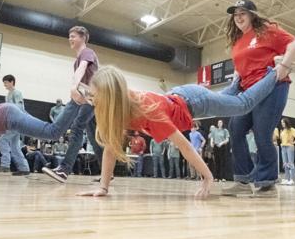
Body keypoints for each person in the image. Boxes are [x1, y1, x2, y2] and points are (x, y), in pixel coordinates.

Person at [76, 64, 281, 199]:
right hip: (180, 96)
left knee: (242, 105)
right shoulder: (121, 107)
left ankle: (276, 72)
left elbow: (184, 145)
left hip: (194, 101)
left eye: (95, 97)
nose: (92, 102)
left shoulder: (147, 112)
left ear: (111, 99)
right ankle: (238, 81)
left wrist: (208, 177)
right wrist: (103, 187)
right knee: (223, 100)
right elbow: (111, 148)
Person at [220, 0, 295, 198]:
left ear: (252, 15)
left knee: (262, 132)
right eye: (235, 14)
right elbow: (241, 68)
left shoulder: (266, 29)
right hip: (248, 92)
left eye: (243, 13)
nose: (238, 17)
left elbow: (294, 43)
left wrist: (283, 67)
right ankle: (243, 179)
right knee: (235, 128)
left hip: (272, 86)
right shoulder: (238, 41)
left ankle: (267, 184)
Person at [41, 26, 105, 184]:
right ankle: (107, 172)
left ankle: (64, 169)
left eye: (73, 36)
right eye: (69, 36)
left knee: (77, 128)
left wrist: (73, 87)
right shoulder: (77, 59)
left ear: (83, 38)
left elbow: (83, 69)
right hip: (89, 97)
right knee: (92, 135)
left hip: (92, 97)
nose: (70, 39)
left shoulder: (87, 52)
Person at [0, 74, 30, 176]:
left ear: (11, 82)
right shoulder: (8, 95)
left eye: (6, 82)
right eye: (4, 83)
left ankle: (5, 165)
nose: (4, 85)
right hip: (12, 122)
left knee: (2, 140)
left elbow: (20, 107)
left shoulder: (17, 93)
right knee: (15, 147)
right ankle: (24, 168)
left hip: (17, 122)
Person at [279, 118, 295, 185]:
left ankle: (292, 179)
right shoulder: (282, 131)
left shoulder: (291, 129)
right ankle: (287, 179)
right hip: (283, 147)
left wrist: (293, 142)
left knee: (290, 163)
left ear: (286, 123)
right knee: (285, 163)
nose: (282, 124)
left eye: (283, 122)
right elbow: (282, 139)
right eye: (281, 122)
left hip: (289, 147)